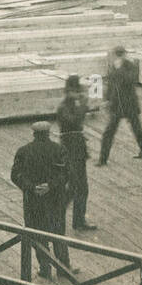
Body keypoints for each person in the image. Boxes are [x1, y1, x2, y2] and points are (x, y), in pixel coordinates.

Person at [10, 121, 71, 280]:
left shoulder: (23, 151)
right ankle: (63, 269)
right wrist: (50, 186)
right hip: (55, 199)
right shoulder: (59, 150)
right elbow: (66, 174)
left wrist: (31, 187)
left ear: (34, 134)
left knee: (37, 234)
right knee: (58, 233)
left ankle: (45, 269)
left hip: (34, 201)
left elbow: (15, 175)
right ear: (48, 133)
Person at [97, 46, 142, 164]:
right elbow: (110, 85)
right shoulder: (113, 67)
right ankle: (103, 159)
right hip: (117, 106)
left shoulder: (130, 66)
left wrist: (119, 68)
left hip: (129, 105)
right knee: (109, 133)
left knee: (137, 129)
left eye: (119, 55)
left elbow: (130, 80)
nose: (118, 57)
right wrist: (106, 100)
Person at [56, 75, 96, 231]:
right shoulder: (63, 107)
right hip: (70, 150)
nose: (77, 94)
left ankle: (77, 220)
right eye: (75, 91)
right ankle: (59, 213)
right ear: (68, 92)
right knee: (74, 187)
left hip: (77, 149)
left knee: (80, 187)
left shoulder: (72, 104)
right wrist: (84, 105)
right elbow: (74, 121)